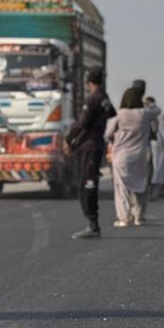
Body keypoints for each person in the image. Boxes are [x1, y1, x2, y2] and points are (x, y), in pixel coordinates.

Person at [66, 68, 116, 239]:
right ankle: (92, 223)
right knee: (87, 184)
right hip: (95, 145)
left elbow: (82, 122)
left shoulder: (94, 98)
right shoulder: (105, 98)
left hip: (89, 146)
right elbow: (113, 116)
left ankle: (93, 225)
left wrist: (68, 139)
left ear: (89, 82)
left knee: (86, 185)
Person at [105, 89, 162, 227]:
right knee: (141, 186)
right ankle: (139, 217)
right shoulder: (144, 113)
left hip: (121, 156)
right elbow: (158, 110)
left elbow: (107, 134)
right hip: (140, 156)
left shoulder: (119, 115)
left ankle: (124, 217)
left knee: (121, 187)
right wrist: (147, 104)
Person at [144, 96, 164, 200]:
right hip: (156, 141)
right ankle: (154, 192)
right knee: (158, 166)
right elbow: (163, 130)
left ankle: (147, 192)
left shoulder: (143, 111)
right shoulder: (159, 112)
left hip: (144, 141)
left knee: (147, 166)